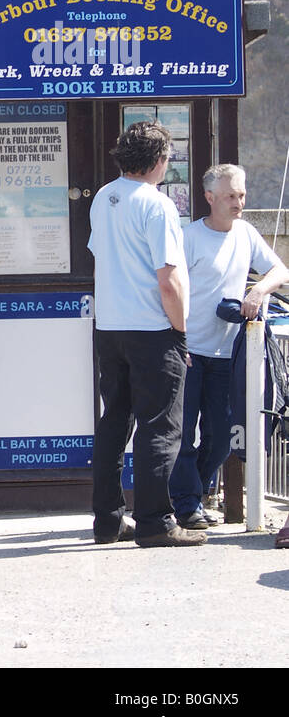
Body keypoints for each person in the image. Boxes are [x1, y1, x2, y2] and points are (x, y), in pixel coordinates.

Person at [88, 121, 203, 546]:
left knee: (113, 422)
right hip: (153, 328)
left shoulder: (103, 197)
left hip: (110, 326)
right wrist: (181, 332)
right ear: (158, 160)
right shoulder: (159, 206)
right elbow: (168, 279)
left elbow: (102, 257)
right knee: (160, 427)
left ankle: (108, 520)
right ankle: (156, 521)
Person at [169, 164, 289, 529]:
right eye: (231, 196)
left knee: (222, 435)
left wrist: (257, 290)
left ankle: (197, 493)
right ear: (209, 198)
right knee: (183, 432)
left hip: (228, 352)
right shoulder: (187, 237)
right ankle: (187, 505)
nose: (239, 202)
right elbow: (167, 290)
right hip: (189, 350)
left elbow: (281, 271)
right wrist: (176, 340)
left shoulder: (247, 233)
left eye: (242, 194)